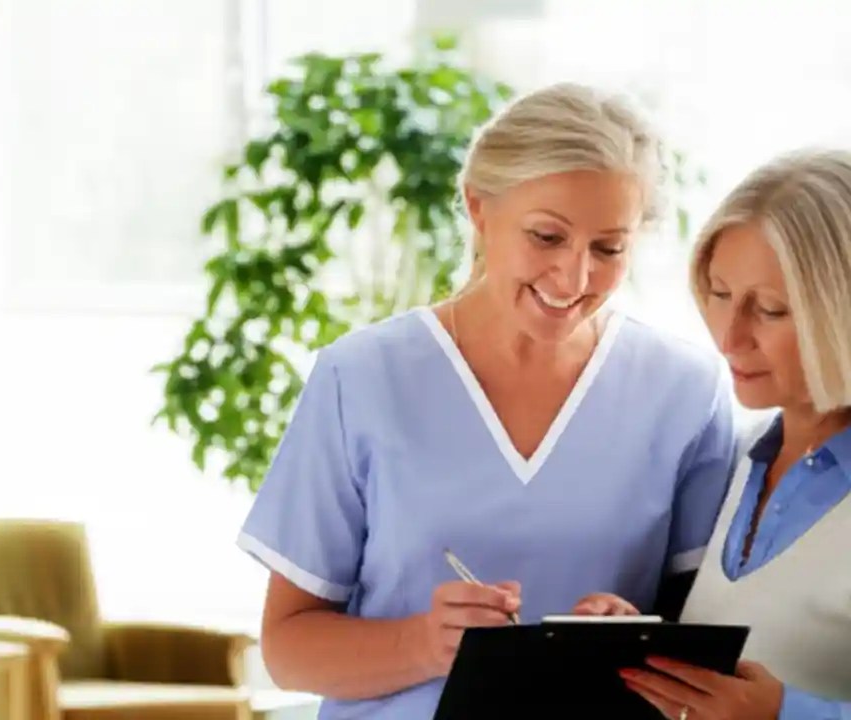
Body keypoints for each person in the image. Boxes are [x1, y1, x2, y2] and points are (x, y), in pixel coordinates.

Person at [234, 81, 737, 717]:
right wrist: (423, 644)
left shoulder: (685, 392)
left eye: (609, 248)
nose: (575, 278)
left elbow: (710, 637)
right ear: (478, 208)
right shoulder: (360, 379)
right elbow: (287, 649)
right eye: (547, 237)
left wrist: (635, 633)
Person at [593, 149, 851, 720]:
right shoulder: (739, 456)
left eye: (772, 310)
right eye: (719, 293)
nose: (729, 338)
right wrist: (644, 646)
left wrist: (785, 714)